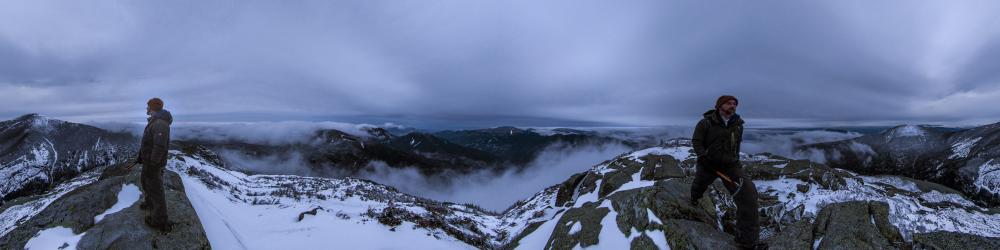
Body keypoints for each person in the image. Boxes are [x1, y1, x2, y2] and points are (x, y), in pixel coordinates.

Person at [690, 95, 761, 249]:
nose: (732, 106)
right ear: (719, 106)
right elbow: (696, 141)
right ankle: (694, 197)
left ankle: (747, 242)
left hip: (731, 166)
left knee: (748, 195)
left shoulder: (738, 125)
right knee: (699, 185)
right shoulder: (705, 123)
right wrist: (703, 157)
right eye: (728, 103)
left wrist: (735, 161)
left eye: (734, 104)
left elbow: (736, 146)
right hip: (708, 164)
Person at [137, 97, 173, 232]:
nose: (146, 108)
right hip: (149, 161)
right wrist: (141, 156)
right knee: (146, 183)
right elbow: (148, 142)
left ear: (153, 108)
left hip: (154, 164)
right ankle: (149, 203)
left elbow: (159, 146)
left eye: (148, 106)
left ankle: (159, 220)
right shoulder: (155, 121)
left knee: (156, 190)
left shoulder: (160, 123)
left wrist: (153, 163)